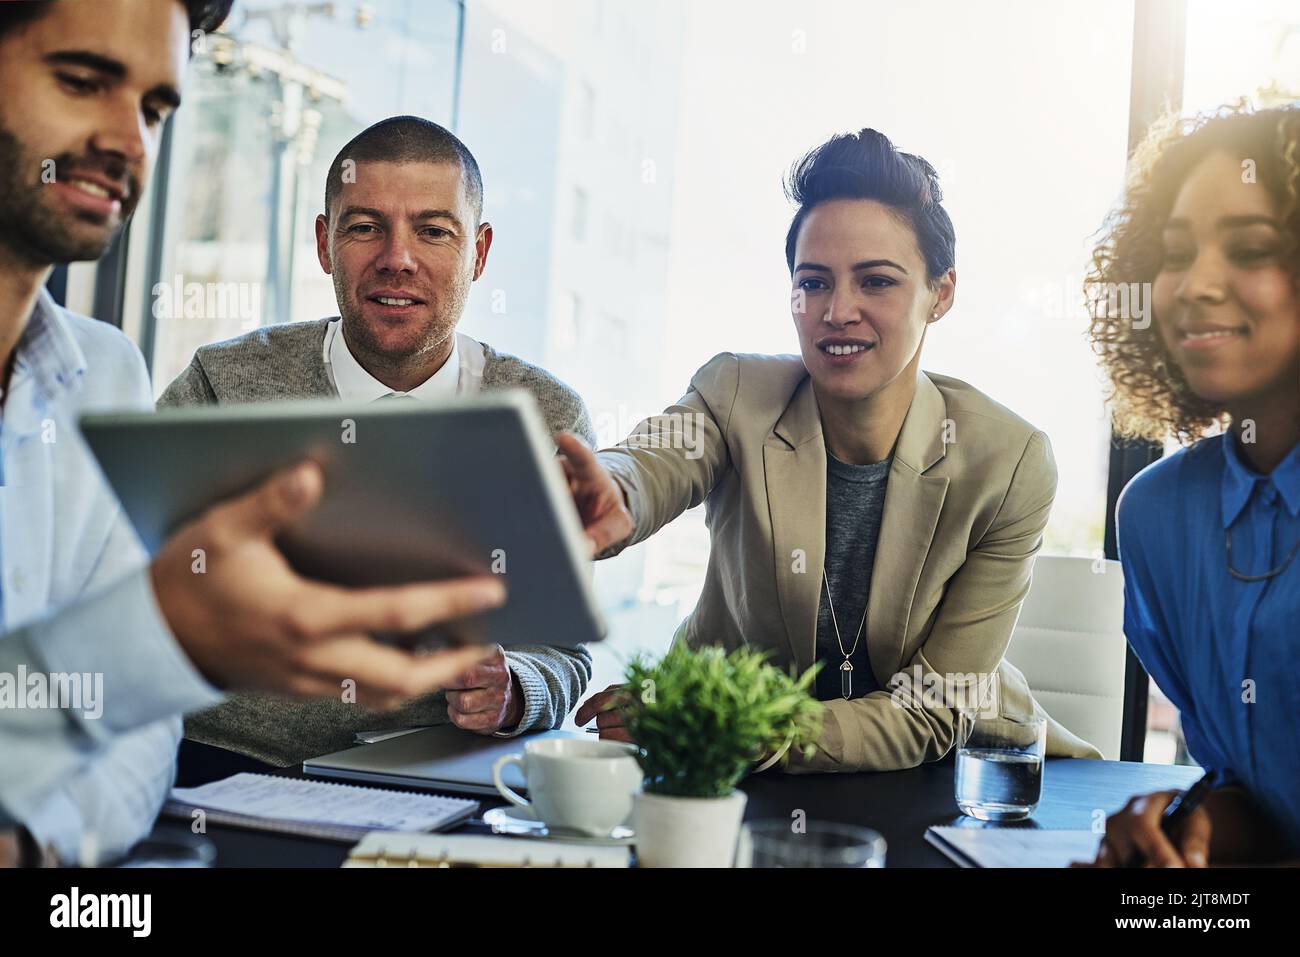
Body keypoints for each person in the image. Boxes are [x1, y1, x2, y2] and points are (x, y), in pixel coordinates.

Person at [0, 0, 503, 867]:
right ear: (325, 243)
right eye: (82, 81)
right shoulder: (216, 382)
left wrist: (37, 844)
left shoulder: (106, 375)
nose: (129, 141)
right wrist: (163, 629)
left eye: (157, 108)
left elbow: (137, 728)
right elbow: (138, 680)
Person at [568, 128, 1100, 772]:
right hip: (736, 775)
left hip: (954, 775)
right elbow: (653, 461)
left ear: (942, 293)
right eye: (814, 282)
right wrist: (613, 489)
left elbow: (930, 710)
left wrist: (720, 719)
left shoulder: (1007, 462)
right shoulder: (736, 393)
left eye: (876, 282)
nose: (837, 310)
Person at [156, 116, 594, 769]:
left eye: (433, 230)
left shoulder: (543, 416)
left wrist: (516, 688)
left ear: (478, 253)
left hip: (425, 775)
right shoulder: (220, 386)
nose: (398, 257)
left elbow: (563, 648)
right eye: (365, 227)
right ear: (325, 244)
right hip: (217, 761)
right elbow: (129, 589)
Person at [1084, 106, 1300, 867]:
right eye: (1176, 253)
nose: (1197, 284)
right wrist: (1195, 834)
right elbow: (1257, 789)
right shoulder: (1158, 516)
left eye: (1250, 248)